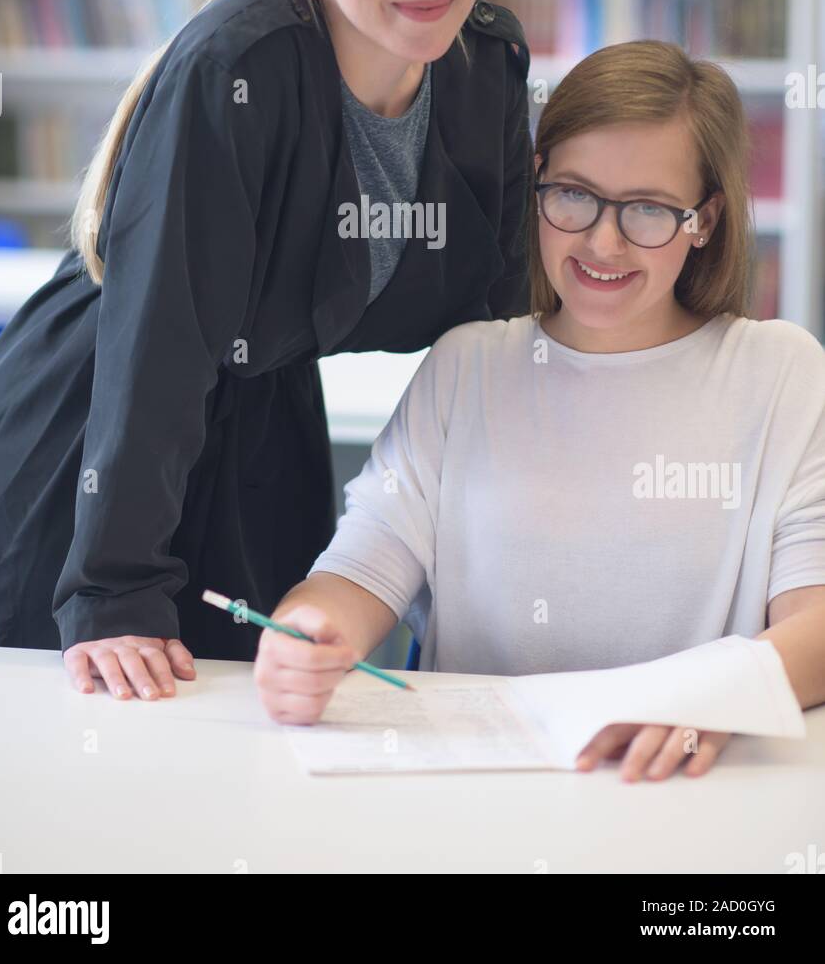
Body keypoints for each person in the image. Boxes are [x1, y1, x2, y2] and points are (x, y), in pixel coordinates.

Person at [0, 0, 534, 699]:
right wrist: (113, 590)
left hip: (260, 418)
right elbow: (162, 340)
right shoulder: (241, 66)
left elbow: (497, 331)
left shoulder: (487, 65)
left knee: (255, 731)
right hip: (93, 439)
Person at [255, 39, 825, 782]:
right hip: (480, 797)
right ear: (536, 185)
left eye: (648, 209)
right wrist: (308, 633)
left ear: (704, 221)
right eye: (573, 195)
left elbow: (815, 624)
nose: (601, 240)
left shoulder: (779, 371)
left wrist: (704, 698)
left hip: (677, 795)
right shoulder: (468, 365)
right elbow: (358, 571)